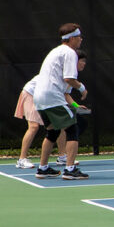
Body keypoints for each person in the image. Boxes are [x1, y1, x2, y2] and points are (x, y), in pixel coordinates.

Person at [31, 23, 90, 180]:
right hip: (52, 97)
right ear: (72, 38)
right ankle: (70, 169)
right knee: (72, 129)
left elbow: (65, 89)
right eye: (79, 37)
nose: (81, 39)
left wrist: (75, 105)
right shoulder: (70, 53)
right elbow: (69, 79)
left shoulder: (55, 51)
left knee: (53, 132)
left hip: (40, 97)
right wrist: (82, 88)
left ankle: (43, 168)